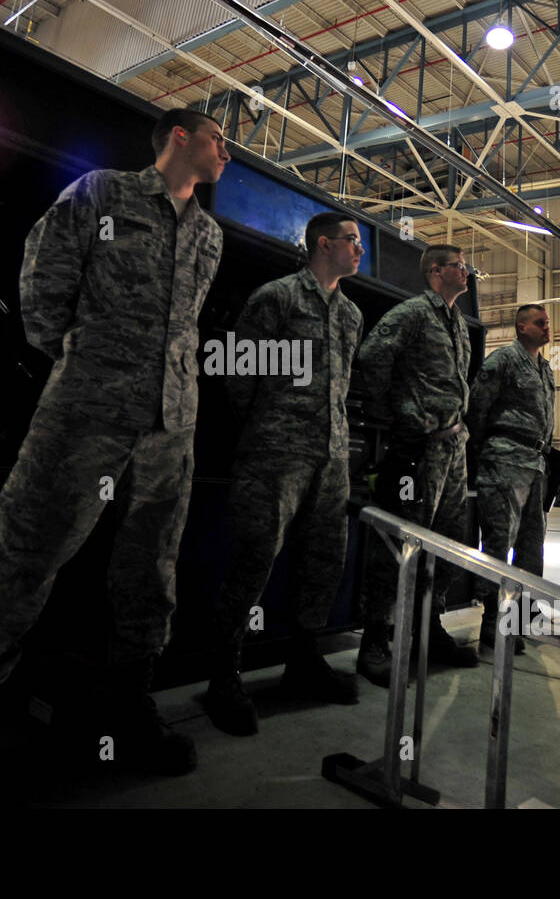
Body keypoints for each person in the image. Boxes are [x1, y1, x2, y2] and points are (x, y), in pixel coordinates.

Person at [0, 108, 230, 788]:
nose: (226, 155)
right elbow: (43, 285)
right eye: (219, 140)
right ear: (179, 137)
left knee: (151, 568)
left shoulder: (209, 235)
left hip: (170, 424)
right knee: (24, 555)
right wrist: (88, 359)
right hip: (86, 411)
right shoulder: (102, 193)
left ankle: (130, 708)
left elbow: (186, 327)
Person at [202, 213, 365, 736]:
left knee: (322, 563)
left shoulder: (351, 315)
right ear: (324, 244)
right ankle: (222, 677)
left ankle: (303, 663)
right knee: (253, 563)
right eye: (352, 241)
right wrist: (270, 426)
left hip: (331, 458)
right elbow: (238, 374)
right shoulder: (276, 298)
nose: (359, 250)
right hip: (274, 455)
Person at [354, 243, 479, 687]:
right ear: (436, 272)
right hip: (417, 449)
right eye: (460, 267)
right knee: (398, 545)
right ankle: (374, 642)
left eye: (467, 267)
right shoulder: (411, 314)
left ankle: (429, 626)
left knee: (447, 543)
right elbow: (371, 358)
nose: (467, 273)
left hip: (453, 450)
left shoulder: (457, 323)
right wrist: (398, 414)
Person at [468, 304, 555, 651]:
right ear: (521, 327)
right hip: (504, 462)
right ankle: (493, 623)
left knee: (532, 547)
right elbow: (477, 407)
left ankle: (518, 621)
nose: (547, 327)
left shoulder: (545, 369)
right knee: (498, 544)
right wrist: (483, 453)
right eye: (539, 322)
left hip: (536, 465)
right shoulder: (502, 361)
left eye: (547, 323)